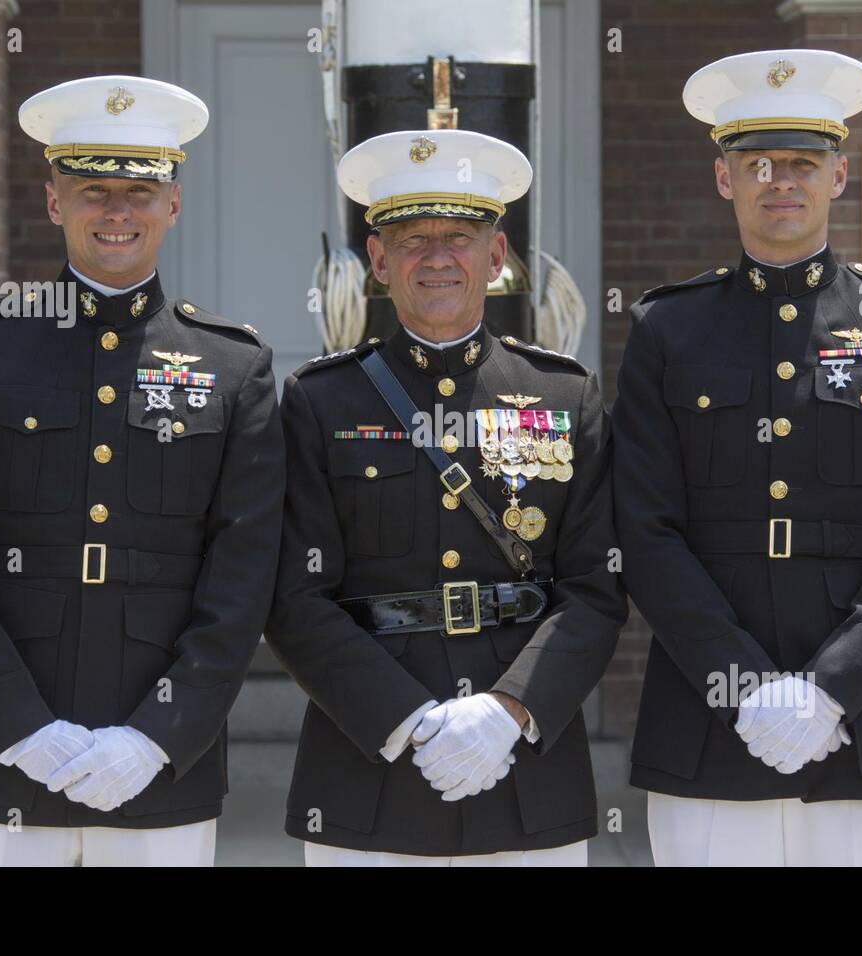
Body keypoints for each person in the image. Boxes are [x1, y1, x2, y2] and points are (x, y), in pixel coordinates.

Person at [0, 75, 285, 866]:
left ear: (173, 205)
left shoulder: (233, 367)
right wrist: (19, 729)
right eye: (92, 189)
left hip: (158, 753)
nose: (117, 211)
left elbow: (243, 574)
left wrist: (157, 736)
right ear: (53, 201)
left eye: (139, 190)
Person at [613, 49, 862, 866]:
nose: (782, 181)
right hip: (708, 720)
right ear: (724, 179)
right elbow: (645, 531)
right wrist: (742, 687)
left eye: (803, 164)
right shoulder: (668, 329)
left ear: (838, 178)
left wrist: (831, 689)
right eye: (759, 164)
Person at [264, 128, 626, 865]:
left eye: (459, 236)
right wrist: (404, 718)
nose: (436, 257)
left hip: (526, 769)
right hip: (369, 768)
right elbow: (293, 596)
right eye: (410, 238)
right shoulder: (319, 401)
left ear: (496, 257)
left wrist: (511, 707)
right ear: (377, 259)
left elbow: (597, 586)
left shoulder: (564, 394)